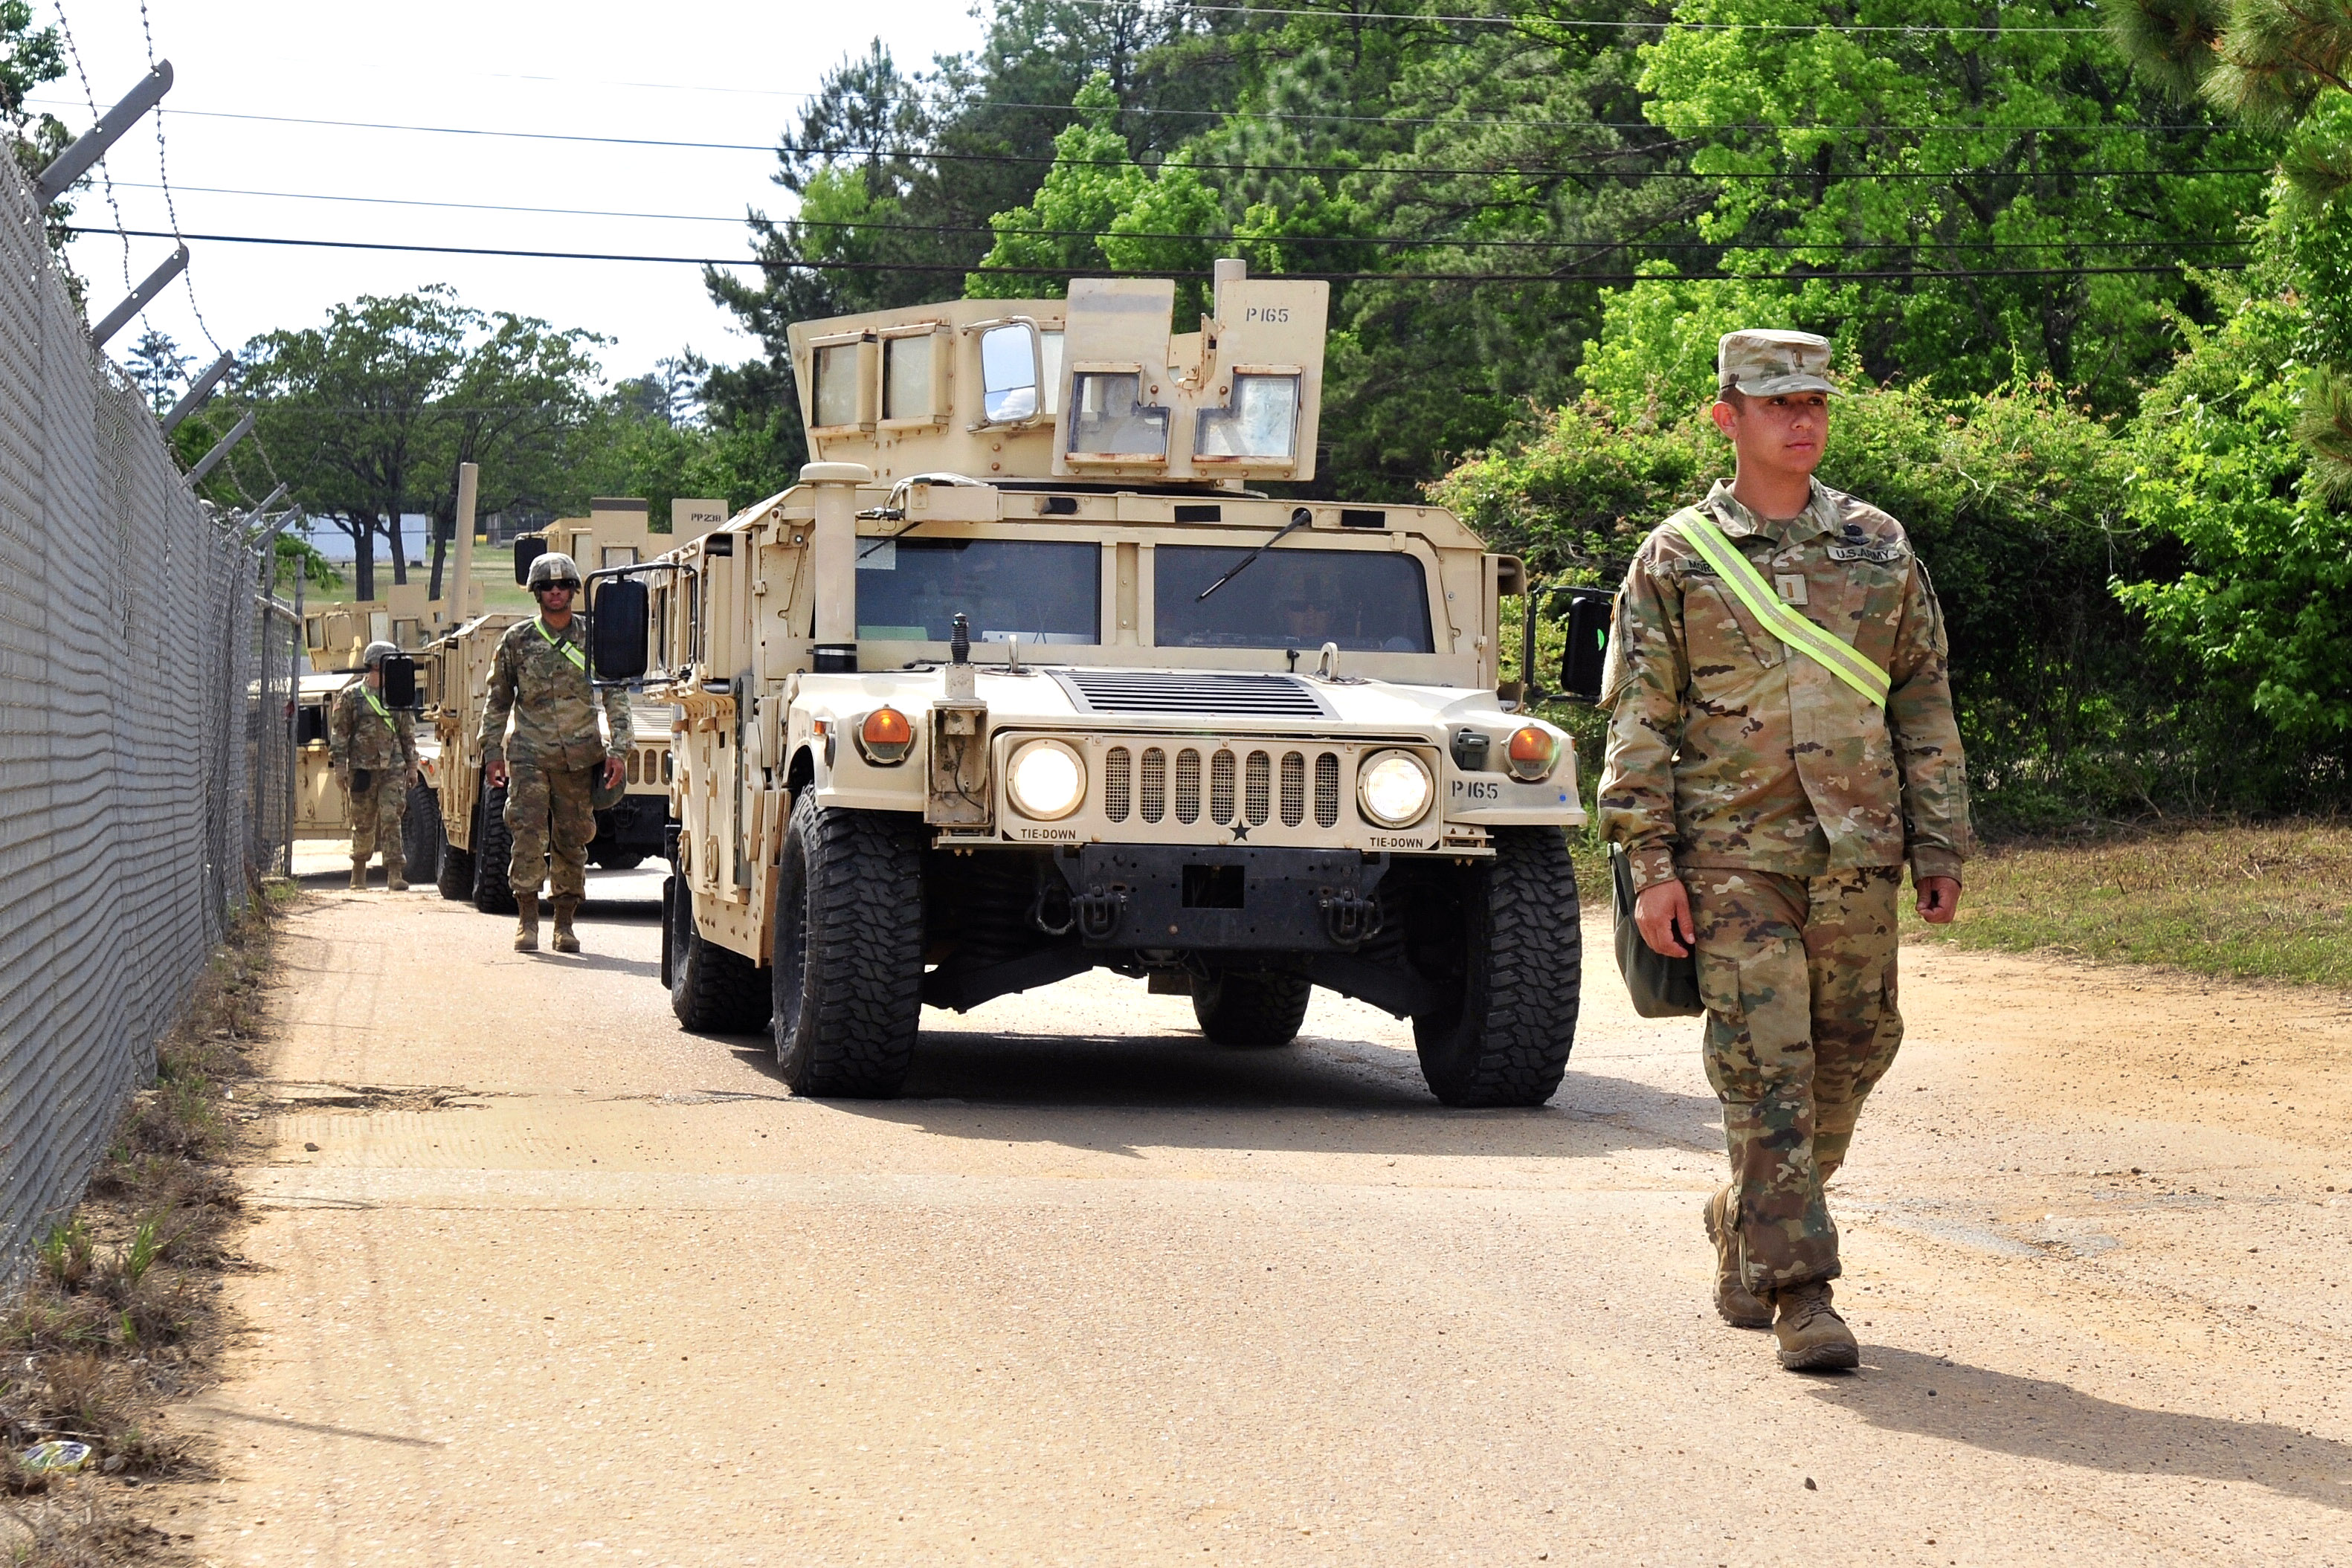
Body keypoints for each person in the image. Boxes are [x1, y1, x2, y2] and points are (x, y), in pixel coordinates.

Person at [1596, 329, 1974, 1372]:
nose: (1801, 420)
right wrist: (1648, 865)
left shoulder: (1877, 545)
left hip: (1856, 847)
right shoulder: (1676, 556)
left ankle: (1743, 1215)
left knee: (1853, 1051)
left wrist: (1939, 841)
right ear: (1727, 417)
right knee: (1768, 1067)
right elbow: (1639, 718)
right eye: (1777, 404)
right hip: (1731, 856)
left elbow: (1922, 698)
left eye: (1813, 402)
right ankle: (1800, 1292)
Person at [478, 552, 630, 954]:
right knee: (527, 835)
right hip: (529, 755)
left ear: (575, 590)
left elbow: (615, 695)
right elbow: (497, 701)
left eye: (563, 585)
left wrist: (619, 749)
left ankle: (564, 923)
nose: (556, 592)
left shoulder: (594, 638)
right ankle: (527, 920)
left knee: (572, 840)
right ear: (536, 592)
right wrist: (492, 751)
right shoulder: (516, 641)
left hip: (579, 758)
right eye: (547, 586)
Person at [329, 640, 420, 892]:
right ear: (376, 666)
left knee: (392, 818)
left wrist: (412, 766)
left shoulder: (397, 696)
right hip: (362, 769)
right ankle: (358, 874)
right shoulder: (351, 696)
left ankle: (395, 874)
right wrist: (340, 767)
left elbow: (407, 733)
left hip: (392, 767)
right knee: (363, 821)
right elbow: (340, 733)